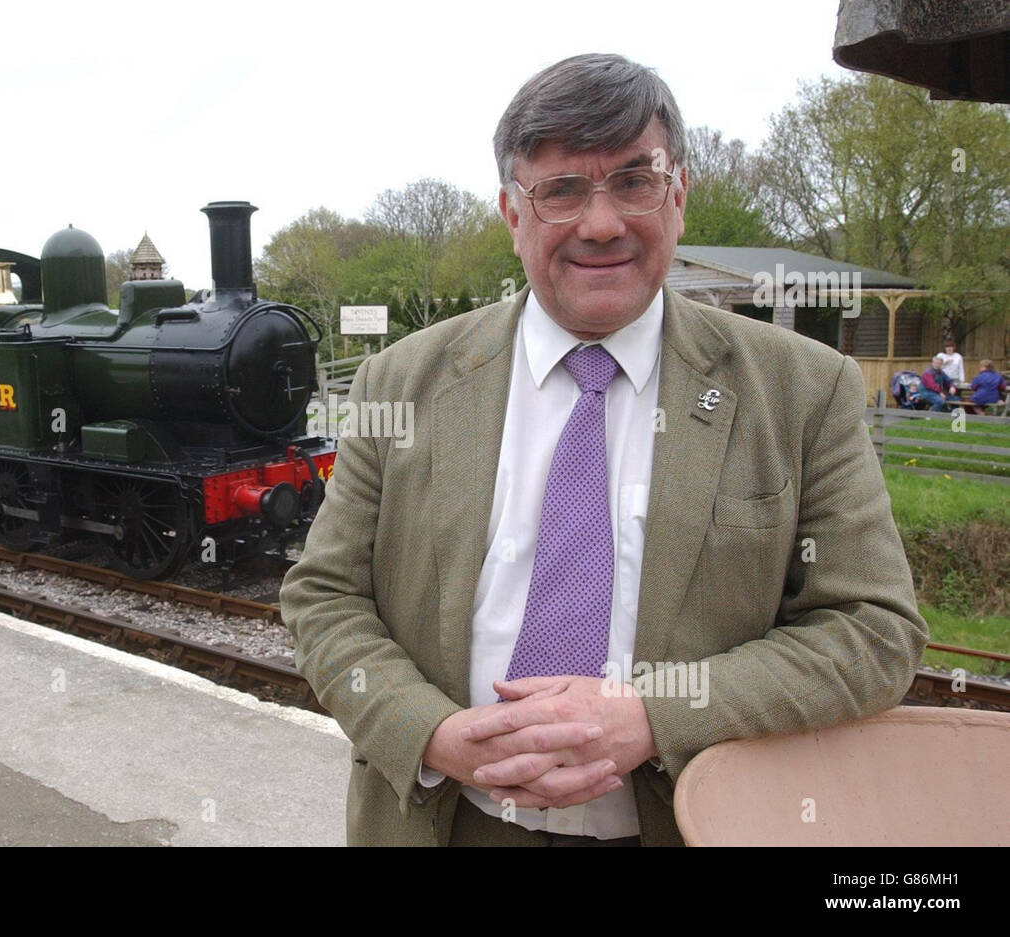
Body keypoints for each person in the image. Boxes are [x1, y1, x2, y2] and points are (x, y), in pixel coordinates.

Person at [280, 53, 927, 847]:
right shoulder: (399, 383)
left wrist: (653, 714)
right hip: (448, 822)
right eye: (559, 191)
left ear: (679, 196)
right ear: (513, 216)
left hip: (694, 825)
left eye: (633, 181)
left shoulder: (801, 390)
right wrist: (434, 733)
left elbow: (873, 630)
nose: (601, 223)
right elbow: (323, 597)